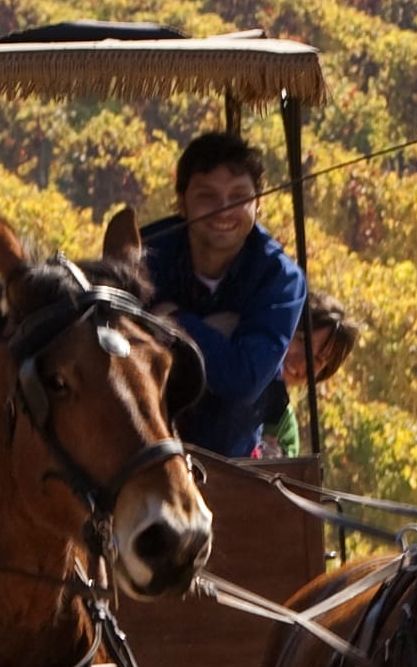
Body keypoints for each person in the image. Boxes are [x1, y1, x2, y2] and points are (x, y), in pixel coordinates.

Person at [121, 126, 307, 464]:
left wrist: (170, 321)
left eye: (239, 197)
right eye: (207, 196)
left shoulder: (279, 278)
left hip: (228, 464)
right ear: (182, 203)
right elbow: (116, 354)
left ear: (259, 204)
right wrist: (218, 338)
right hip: (137, 456)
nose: (223, 210)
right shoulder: (141, 255)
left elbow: (243, 381)